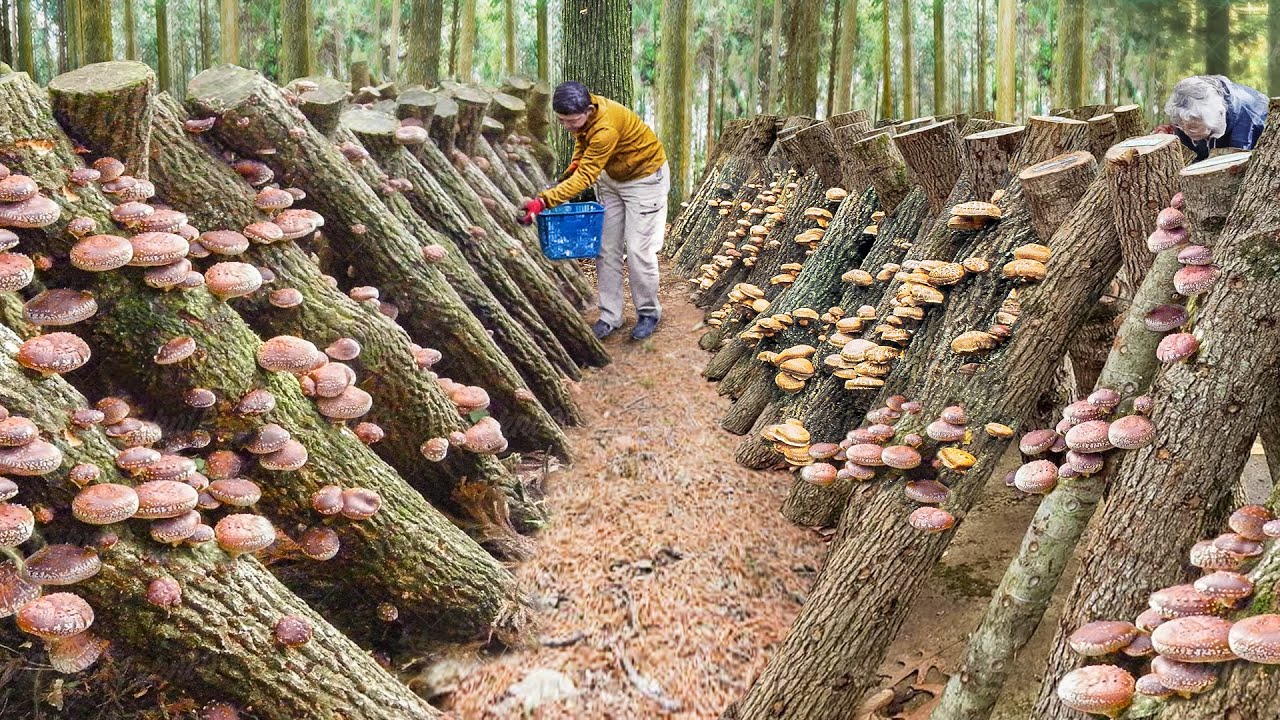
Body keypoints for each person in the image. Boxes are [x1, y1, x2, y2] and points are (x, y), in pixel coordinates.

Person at [518, 81, 669, 341]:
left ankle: (648, 312)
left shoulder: (606, 129)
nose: (567, 126)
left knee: (637, 250)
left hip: (644, 180)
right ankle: (611, 315)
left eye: (571, 121)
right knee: (605, 247)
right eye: (562, 121)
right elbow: (582, 143)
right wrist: (573, 166)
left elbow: (587, 176)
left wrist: (543, 202)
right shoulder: (585, 115)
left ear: (588, 110)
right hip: (611, 178)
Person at [1156, 75, 1268, 162]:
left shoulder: (1246, 125)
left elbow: (1236, 170)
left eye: (1193, 127)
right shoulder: (1186, 110)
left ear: (1215, 118)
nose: (1186, 131)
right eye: (1181, 124)